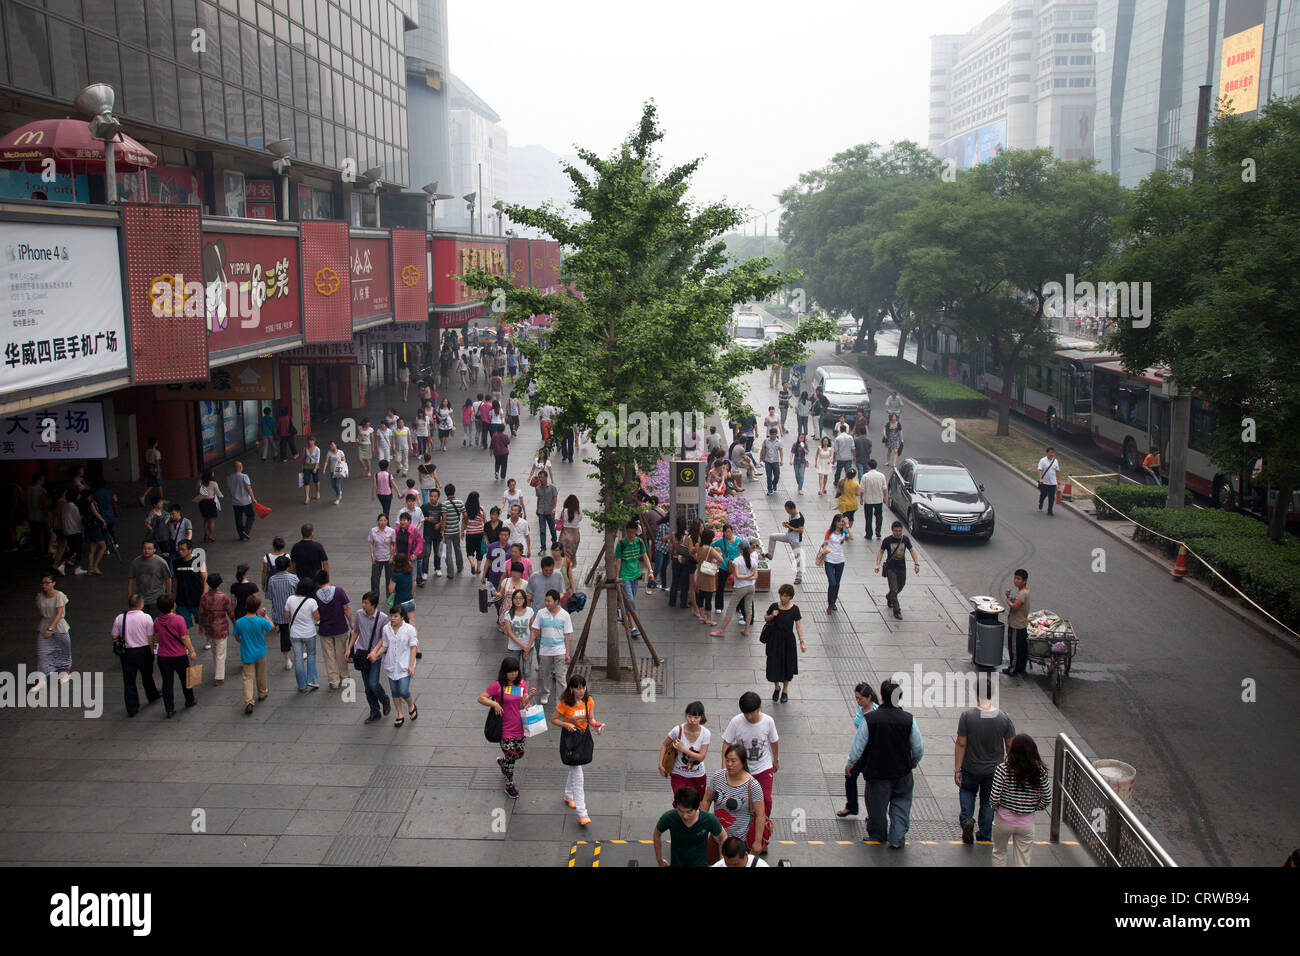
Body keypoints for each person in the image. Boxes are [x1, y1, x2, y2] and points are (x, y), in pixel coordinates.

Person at [848, 679, 923, 848]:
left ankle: (877, 834)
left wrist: (851, 763)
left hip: (877, 773)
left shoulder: (870, 719)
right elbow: (918, 747)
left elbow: (858, 746)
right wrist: (913, 762)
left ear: (881, 696)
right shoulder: (908, 719)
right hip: (902, 772)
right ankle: (897, 838)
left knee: (876, 807)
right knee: (902, 804)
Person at [955, 690, 1017, 845]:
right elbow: (1010, 744)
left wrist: (957, 769)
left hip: (971, 767)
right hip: (994, 770)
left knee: (967, 790)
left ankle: (967, 819)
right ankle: (984, 835)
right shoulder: (1004, 718)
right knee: (988, 802)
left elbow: (961, 743)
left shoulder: (967, 716)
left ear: (976, 695)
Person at [721, 693, 778, 854]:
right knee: (743, 804)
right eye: (746, 713)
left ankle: (762, 837)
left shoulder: (768, 722)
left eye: (752, 712)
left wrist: (776, 760)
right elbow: (726, 742)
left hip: (764, 768)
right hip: (743, 769)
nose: (749, 716)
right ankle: (743, 834)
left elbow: (774, 742)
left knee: (765, 801)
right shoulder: (736, 722)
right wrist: (725, 766)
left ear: (759, 708)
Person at [478, 656, 538, 798]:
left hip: (520, 726)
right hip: (504, 728)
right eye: (510, 671)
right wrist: (495, 704)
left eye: (516, 671)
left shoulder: (521, 684)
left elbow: (522, 702)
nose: (514, 674)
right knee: (511, 756)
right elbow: (481, 697)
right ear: (504, 672)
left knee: (519, 753)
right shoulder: (498, 686)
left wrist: (529, 697)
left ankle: (502, 763)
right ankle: (509, 785)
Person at [990, 734, 1053, 866]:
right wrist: (1034, 807)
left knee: (999, 852)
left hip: (1003, 820)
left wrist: (998, 808)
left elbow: (994, 797)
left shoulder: (1003, 769)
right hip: (1026, 823)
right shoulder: (1039, 771)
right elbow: (1047, 798)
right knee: (1023, 859)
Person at [551, 675, 603, 827]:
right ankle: (583, 812)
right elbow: (554, 719)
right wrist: (565, 725)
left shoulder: (589, 701)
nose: (581, 691)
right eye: (578, 688)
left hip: (583, 740)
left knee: (574, 768)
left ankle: (568, 794)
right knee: (578, 776)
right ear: (571, 689)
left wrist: (597, 725)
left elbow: (591, 719)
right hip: (570, 742)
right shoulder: (565, 704)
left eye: (583, 688)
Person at [703, 744, 767, 859]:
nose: (729, 764)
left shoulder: (753, 785)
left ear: (743, 762)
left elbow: (760, 815)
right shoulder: (717, 777)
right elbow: (707, 800)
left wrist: (757, 841)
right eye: (727, 760)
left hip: (738, 841)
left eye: (733, 761)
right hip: (716, 835)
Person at [113, 594, 161, 716]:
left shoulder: (120, 618)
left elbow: (114, 635)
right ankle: (152, 695)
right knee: (147, 676)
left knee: (129, 680)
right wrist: (152, 652)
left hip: (127, 652)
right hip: (143, 651)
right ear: (141, 604)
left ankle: (132, 708)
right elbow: (151, 637)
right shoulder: (146, 618)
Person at [654, 786, 724, 867]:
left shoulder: (708, 819)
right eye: (680, 811)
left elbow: (723, 837)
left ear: (698, 806)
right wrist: (659, 860)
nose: (685, 816)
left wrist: (722, 862)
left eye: (689, 812)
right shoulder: (669, 817)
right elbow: (657, 833)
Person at [152, 594, 198, 717]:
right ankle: (190, 700)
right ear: (173, 606)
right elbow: (185, 637)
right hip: (179, 655)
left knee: (167, 682)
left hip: (163, 656)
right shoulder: (179, 620)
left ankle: (169, 708)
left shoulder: (157, 621)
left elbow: (156, 638)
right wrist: (192, 651)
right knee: (185, 679)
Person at [349, 592, 391, 723]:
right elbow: (356, 631)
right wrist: (349, 648)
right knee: (367, 687)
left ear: (373, 605)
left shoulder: (383, 618)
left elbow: (382, 637)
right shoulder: (359, 614)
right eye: (363, 602)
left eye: (366, 603)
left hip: (374, 655)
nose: (363, 605)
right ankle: (374, 711)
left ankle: (384, 700)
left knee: (373, 682)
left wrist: (374, 652)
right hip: (361, 653)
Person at [837, 683, 878, 817]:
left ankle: (873, 814)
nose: (858, 701)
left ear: (869, 697)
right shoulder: (861, 708)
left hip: (872, 753)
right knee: (850, 775)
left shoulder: (876, 712)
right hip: (861, 750)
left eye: (860, 699)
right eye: (856, 698)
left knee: (872, 784)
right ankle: (852, 806)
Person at [660, 701, 711, 804]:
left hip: (697, 775)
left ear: (701, 717)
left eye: (696, 717)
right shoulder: (677, 730)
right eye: (689, 716)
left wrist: (683, 749)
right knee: (681, 803)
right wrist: (660, 764)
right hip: (678, 773)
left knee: (696, 804)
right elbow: (664, 745)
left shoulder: (705, 734)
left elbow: (701, 757)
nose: (692, 720)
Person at [763, 584, 805, 703]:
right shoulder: (774, 606)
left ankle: (785, 691)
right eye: (781, 595)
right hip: (774, 640)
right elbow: (765, 617)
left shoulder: (795, 609)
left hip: (788, 641)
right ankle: (777, 687)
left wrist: (801, 641)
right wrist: (772, 615)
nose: (783, 598)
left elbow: (798, 625)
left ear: (790, 597)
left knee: (788, 665)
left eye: (785, 596)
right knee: (774, 664)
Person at [232, 593, 273, 714]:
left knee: (247, 677)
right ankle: (262, 692)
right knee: (261, 674)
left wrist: (242, 640)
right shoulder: (260, 621)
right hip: (260, 652)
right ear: (257, 607)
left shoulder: (239, 622)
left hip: (247, 653)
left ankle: (248, 701)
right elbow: (271, 627)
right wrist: (265, 616)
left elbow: (237, 637)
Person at [530, 589, 573, 704]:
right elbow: (535, 630)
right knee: (544, 674)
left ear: (556, 601)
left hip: (560, 650)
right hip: (545, 650)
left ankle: (561, 698)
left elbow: (567, 635)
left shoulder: (565, 615)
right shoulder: (540, 613)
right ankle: (545, 693)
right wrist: (529, 644)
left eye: (549, 601)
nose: (547, 603)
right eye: (546, 601)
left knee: (560, 676)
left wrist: (567, 653)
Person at [314, 569, 353, 691]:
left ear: (318, 582)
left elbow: (316, 615)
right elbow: (346, 608)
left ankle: (333, 680)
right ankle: (344, 675)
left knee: (328, 655)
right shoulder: (339, 591)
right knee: (341, 652)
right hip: (340, 627)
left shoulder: (316, 595)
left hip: (325, 629)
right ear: (328, 579)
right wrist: (351, 622)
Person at [614, 517, 653, 637]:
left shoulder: (639, 542)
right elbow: (618, 561)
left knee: (630, 599)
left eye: (633, 532)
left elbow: (645, 556)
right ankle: (633, 626)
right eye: (629, 532)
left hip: (636, 574)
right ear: (626, 531)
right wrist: (617, 577)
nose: (631, 535)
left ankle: (621, 609)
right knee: (630, 601)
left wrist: (650, 570)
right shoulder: (621, 544)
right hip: (625, 575)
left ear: (636, 532)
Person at [874, 521, 920, 620]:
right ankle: (897, 610)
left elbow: (912, 550)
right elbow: (881, 551)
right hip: (891, 568)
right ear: (892, 530)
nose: (898, 533)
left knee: (901, 586)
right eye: (896, 531)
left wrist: (916, 563)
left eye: (899, 531)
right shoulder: (887, 540)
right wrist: (878, 564)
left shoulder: (905, 539)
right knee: (894, 588)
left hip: (902, 568)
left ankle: (889, 596)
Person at [35, 570, 71, 685]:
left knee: (63, 650)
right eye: (43, 583)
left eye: (47, 583)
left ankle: (65, 671)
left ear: (53, 583)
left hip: (58, 626)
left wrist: (51, 628)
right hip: (44, 624)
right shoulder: (40, 596)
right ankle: (42, 677)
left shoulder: (59, 596)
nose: (44, 585)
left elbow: (59, 613)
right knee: (42, 652)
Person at [284, 577, 321, 693]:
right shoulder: (312, 602)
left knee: (298, 659)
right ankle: (312, 680)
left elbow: (286, 616)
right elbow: (317, 618)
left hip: (295, 633)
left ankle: (301, 685)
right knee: (311, 655)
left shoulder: (290, 599)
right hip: (309, 633)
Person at [197, 571, 232, 686]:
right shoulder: (223, 597)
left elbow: (201, 613)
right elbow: (230, 612)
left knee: (214, 651)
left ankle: (218, 671)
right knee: (221, 652)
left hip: (209, 626)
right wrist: (236, 623)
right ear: (219, 583)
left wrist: (201, 627)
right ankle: (219, 676)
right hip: (221, 627)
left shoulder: (204, 597)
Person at [266, 554, 298, 670]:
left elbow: (269, 595)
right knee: (295, 631)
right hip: (293, 610)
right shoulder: (293, 578)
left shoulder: (272, 580)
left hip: (279, 611)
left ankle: (287, 659)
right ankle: (298, 652)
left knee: (284, 634)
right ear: (288, 566)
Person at [128, 540, 172, 618]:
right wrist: (129, 595)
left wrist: (167, 596)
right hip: (140, 599)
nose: (146, 551)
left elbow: (168, 579)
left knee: (155, 622)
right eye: (144, 548)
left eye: (149, 548)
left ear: (154, 550)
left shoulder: (161, 562)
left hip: (156, 599)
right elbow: (131, 579)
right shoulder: (136, 562)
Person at [818, 514, 851, 613]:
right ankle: (830, 603)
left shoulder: (844, 532)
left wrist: (847, 526)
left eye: (842, 522)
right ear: (835, 522)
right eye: (840, 521)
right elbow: (825, 543)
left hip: (840, 561)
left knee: (837, 583)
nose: (841, 523)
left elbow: (852, 537)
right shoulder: (830, 532)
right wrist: (824, 550)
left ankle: (833, 603)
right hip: (829, 560)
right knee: (832, 582)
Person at [171, 539, 206, 632]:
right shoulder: (175, 563)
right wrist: (174, 596)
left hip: (197, 598)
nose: (180, 552)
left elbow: (205, 579)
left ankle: (208, 640)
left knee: (203, 622)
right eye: (179, 549)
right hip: (181, 599)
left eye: (183, 549)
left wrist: (205, 594)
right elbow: (175, 580)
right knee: (182, 625)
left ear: (190, 550)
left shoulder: (198, 561)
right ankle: (185, 644)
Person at [1002, 569, 1031, 677]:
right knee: (1021, 648)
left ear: (1024, 581)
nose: (1016, 581)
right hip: (1022, 624)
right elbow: (1015, 599)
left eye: (1019, 579)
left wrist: (1007, 600)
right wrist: (1009, 596)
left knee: (1014, 648)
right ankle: (1020, 668)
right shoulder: (1023, 591)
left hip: (1016, 625)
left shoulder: (1022, 594)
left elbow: (1014, 606)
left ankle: (1013, 669)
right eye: (1015, 578)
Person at [504, 589, 535, 679]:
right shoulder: (508, 614)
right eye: (516, 598)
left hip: (528, 645)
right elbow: (509, 633)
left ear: (524, 599)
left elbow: (532, 629)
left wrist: (528, 646)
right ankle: (515, 692)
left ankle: (525, 692)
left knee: (527, 671)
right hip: (514, 647)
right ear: (512, 600)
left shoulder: (529, 611)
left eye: (520, 598)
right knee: (513, 671)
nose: (518, 601)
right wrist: (523, 646)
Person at [54, 487, 84, 576]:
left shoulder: (65, 505)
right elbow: (78, 519)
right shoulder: (73, 506)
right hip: (75, 530)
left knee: (72, 549)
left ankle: (62, 565)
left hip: (67, 530)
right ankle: (76, 567)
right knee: (78, 550)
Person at [226, 461, 258, 540]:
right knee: (251, 516)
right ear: (241, 467)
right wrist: (253, 498)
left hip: (235, 502)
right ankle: (246, 531)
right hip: (246, 501)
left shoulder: (229, 477)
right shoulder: (244, 476)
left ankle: (241, 534)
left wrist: (230, 499)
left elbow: (229, 490)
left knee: (238, 518)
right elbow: (248, 488)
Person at [368, 513, 397, 596]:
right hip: (377, 558)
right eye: (381, 520)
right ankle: (374, 595)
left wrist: (392, 556)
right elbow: (371, 543)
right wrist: (372, 556)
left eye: (384, 520)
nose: (382, 522)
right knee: (375, 578)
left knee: (390, 578)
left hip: (388, 558)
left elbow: (394, 544)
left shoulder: (391, 531)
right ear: (378, 521)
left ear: (387, 521)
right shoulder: (373, 531)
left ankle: (390, 595)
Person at [440, 484, 465, 580]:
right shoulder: (460, 502)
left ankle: (450, 573)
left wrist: (442, 530)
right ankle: (460, 567)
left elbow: (444, 518)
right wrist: (463, 525)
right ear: (454, 491)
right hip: (456, 530)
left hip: (447, 532)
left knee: (448, 552)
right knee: (458, 549)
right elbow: (465, 515)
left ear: (446, 493)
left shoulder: (444, 504)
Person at [859, 459, 887, 539]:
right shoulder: (881, 475)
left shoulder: (865, 476)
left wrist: (861, 498)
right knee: (879, 516)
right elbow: (884, 488)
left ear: (869, 466)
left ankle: (869, 533)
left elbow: (862, 489)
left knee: (868, 517)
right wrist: (884, 497)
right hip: (878, 499)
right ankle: (878, 531)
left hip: (868, 500)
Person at [534, 472, 558, 554]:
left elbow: (555, 498)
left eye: (542, 477)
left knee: (552, 529)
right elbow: (539, 498)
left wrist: (554, 508)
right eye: (539, 477)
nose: (540, 479)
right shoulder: (537, 488)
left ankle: (554, 540)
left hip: (550, 511)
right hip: (541, 511)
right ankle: (543, 548)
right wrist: (537, 508)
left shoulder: (552, 487)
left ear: (546, 477)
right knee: (542, 530)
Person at [559, 495, 582, 573]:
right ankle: (570, 567)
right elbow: (580, 519)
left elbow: (557, 519)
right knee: (572, 553)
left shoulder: (563, 510)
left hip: (565, 534)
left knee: (564, 553)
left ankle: (565, 569)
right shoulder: (578, 511)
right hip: (575, 535)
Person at [139, 436, 163, 507]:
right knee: (157, 484)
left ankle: (160, 500)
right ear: (155, 443)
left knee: (155, 484)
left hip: (149, 469)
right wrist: (158, 472)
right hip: (155, 470)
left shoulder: (147, 451)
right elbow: (157, 463)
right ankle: (143, 496)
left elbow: (146, 461)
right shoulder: (157, 452)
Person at [760, 428, 784, 496]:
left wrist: (781, 460)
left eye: (775, 434)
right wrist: (761, 458)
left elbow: (781, 451)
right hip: (768, 461)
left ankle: (774, 484)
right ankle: (769, 489)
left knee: (777, 475)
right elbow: (762, 449)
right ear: (769, 434)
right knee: (769, 476)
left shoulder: (778, 442)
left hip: (775, 461)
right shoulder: (766, 441)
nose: (773, 436)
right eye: (772, 434)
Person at [1037, 446, 1060, 514]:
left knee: (1051, 497)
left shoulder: (1055, 461)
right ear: (1047, 453)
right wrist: (1040, 478)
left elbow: (1057, 471)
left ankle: (1050, 510)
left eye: (1053, 453)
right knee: (1043, 495)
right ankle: (1041, 502)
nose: (1052, 454)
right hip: (1044, 482)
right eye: (1050, 453)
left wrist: (1058, 480)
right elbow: (1040, 469)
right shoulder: (1042, 460)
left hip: (1053, 483)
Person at [325, 441, 347, 505]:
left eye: (332, 444)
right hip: (332, 471)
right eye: (330, 445)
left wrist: (341, 461)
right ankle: (339, 492)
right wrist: (324, 469)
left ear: (336, 445)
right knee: (333, 485)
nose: (331, 446)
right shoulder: (329, 453)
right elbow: (326, 461)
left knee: (337, 484)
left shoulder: (340, 452)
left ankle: (338, 498)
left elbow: (344, 460)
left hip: (338, 470)